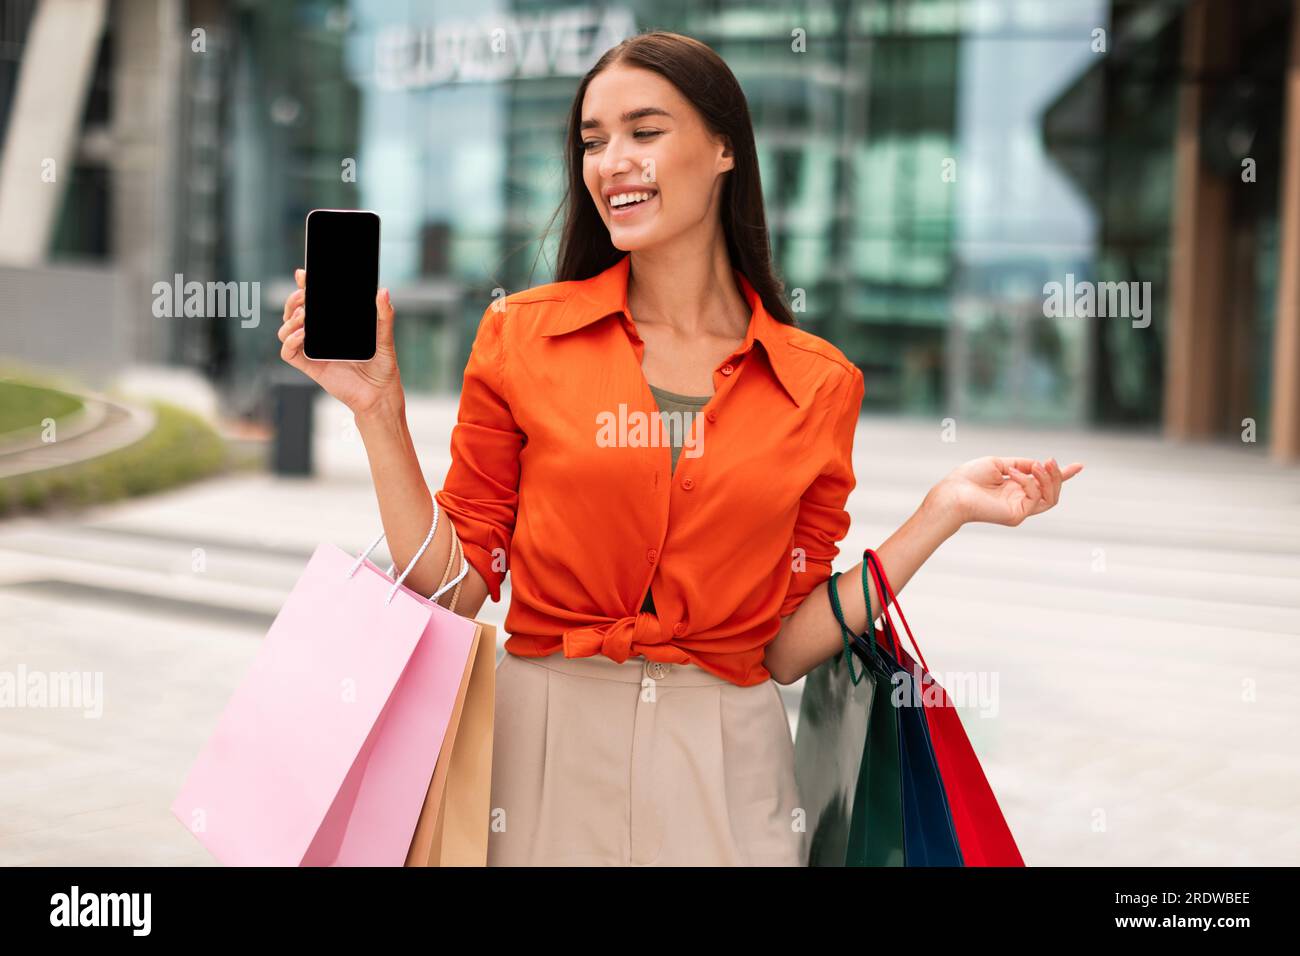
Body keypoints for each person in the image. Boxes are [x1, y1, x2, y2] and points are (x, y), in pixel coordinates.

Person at [276, 30, 1082, 866]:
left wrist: (940, 513)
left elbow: (780, 648)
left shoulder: (819, 383)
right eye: (593, 141)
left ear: (724, 146)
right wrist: (379, 411)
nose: (611, 161)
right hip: (541, 767)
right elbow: (456, 591)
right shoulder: (521, 335)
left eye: (644, 131)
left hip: (729, 781)